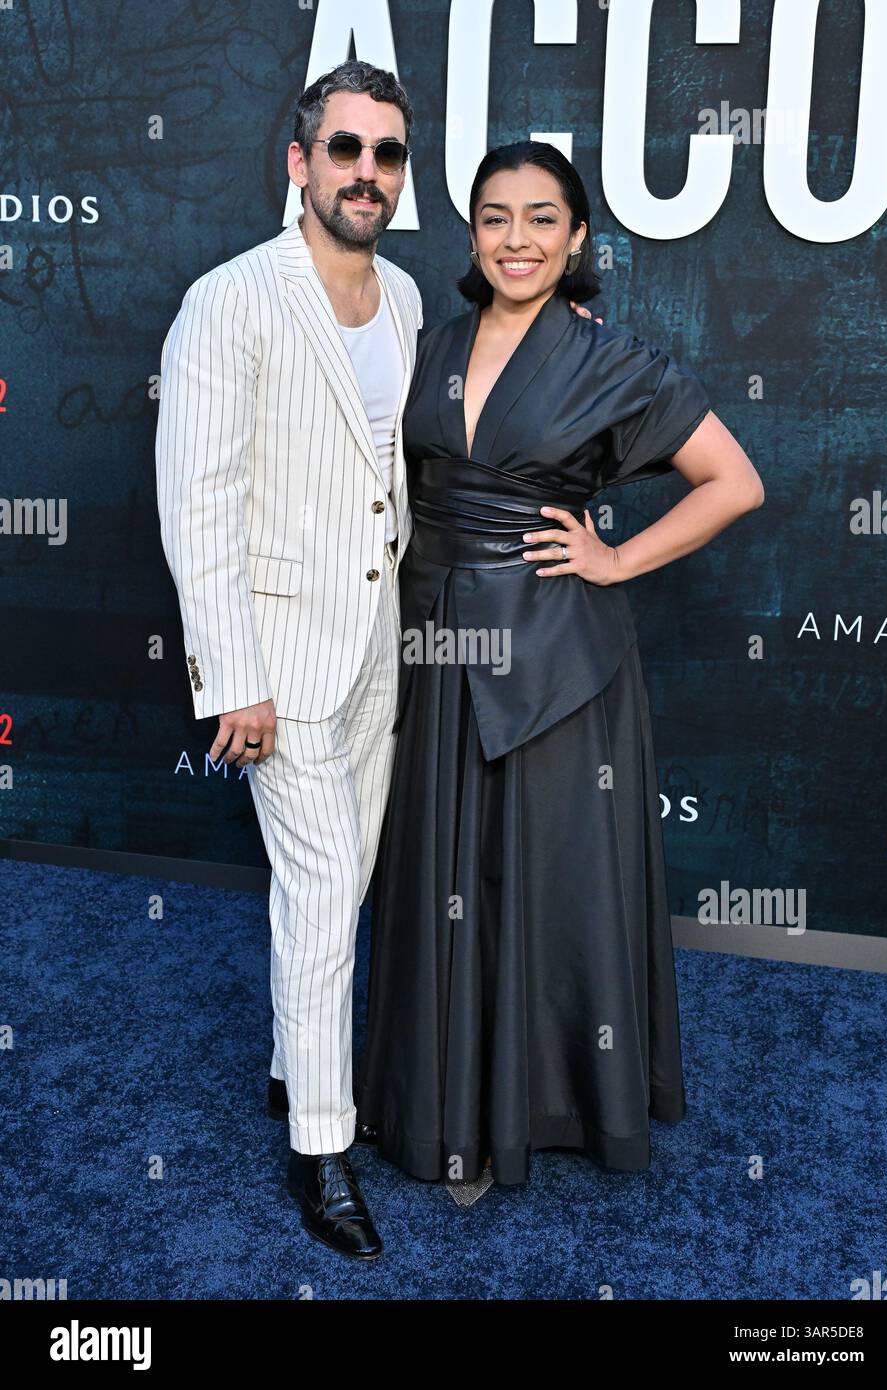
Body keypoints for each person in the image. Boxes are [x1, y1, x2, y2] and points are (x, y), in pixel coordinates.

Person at [355, 140, 764, 1189]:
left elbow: (732, 481)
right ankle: (444, 1104)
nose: (517, 239)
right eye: (495, 217)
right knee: (447, 877)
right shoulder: (426, 341)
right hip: (436, 644)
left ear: (577, 237)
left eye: (542, 219)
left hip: (553, 656)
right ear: (472, 233)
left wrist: (615, 555)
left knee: (544, 881)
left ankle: (541, 1107)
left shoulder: (609, 357)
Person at [154, 60, 423, 1260]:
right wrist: (233, 678)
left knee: (340, 889)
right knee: (321, 903)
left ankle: (283, 1063)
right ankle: (324, 1148)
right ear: (298, 162)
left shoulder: (409, 298)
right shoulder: (231, 300)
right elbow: (196, 499)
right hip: (280, 664)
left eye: (387, 154)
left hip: (376, 651)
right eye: (346, 149)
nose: (366, 171)